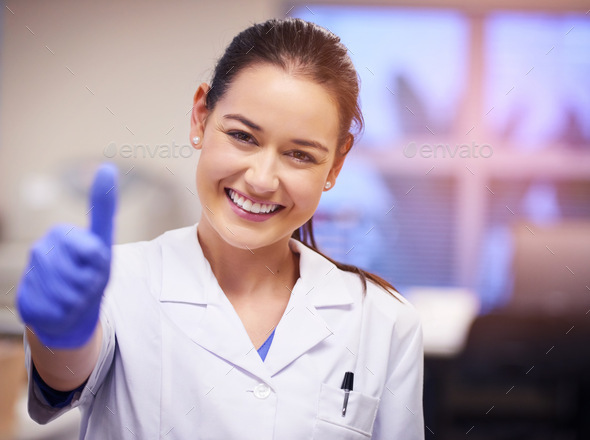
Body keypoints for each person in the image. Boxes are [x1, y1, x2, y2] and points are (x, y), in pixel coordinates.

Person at [17, 18, 424, 439]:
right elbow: (64, 375)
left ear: (335, 165)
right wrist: (59, 335)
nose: (263, 179)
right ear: (200, 118)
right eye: (243, 136)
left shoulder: (385, 323)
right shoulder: (116, 285)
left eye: (300, 155)